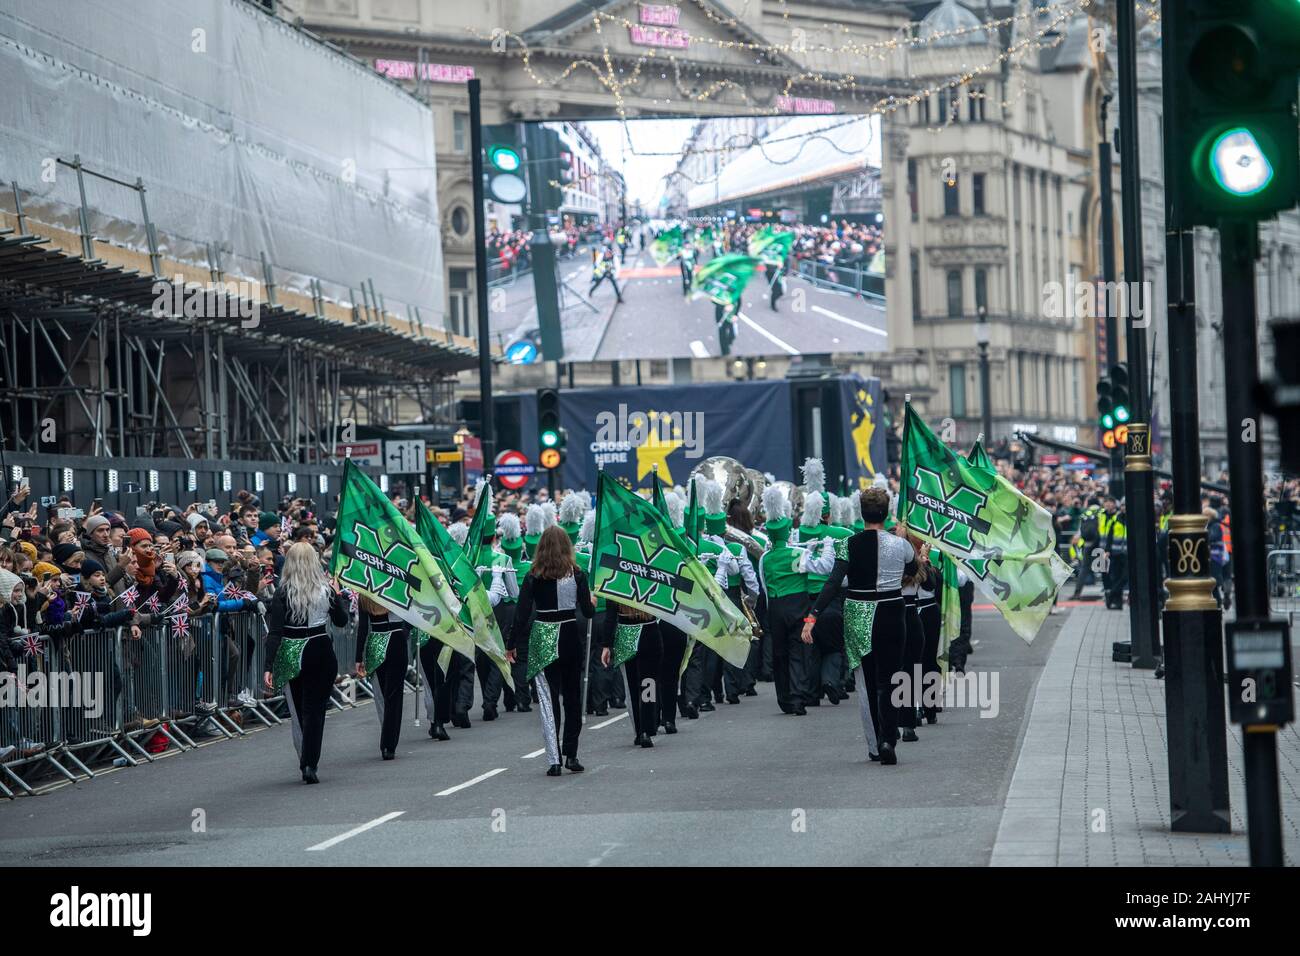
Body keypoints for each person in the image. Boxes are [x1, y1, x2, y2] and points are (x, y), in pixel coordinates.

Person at [803, 488, 916, 766]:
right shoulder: (900, 544)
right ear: (886, 512)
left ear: (861, 512)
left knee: (865, 681)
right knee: (890, 679)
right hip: (892, 610)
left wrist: (812, 616)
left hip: (859, 612)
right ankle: (889, 736)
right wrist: (903, 543)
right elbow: (913, 571)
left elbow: (832, 583)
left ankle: (875, 743)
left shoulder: (847, 545)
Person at [508, 525, 595, 776]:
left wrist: (511, 644)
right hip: (569, 637)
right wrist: (591, 602)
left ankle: (554, 759)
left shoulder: (534, 575)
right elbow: (587, 612)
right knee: (572, 698)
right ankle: (572, 754)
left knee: (547, 700)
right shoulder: (578, 574)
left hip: (543, 637)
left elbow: (522, 612)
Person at [262, 543, 349, 784]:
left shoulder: (282, 592)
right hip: (320, 650)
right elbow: (342, 622)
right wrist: (337, 594)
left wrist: (268, 665)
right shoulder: (326, 590)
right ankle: (310, 761)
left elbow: (275, 632)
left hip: (293, 651)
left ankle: (306, 758)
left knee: (300, 709)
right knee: (315, 710)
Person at [354, 595, 410, 761]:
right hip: (396, 639)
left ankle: (387, 739)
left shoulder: (365, 591)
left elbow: (363, 627)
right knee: (394, 697)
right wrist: (405, 630)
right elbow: (412, 615)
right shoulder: (396, 587)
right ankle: (388, 743)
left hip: (376, 641)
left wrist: (358, 656)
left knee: (382, 696)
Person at [600, 602, 663, 748]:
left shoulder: (617, 581)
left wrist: (606, 645)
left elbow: (610, 618)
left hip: (626, 634)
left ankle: (639, 731)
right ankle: (648, 729)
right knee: (649, 684)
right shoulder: (651, 579)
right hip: (649, 631)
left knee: (632, 687)